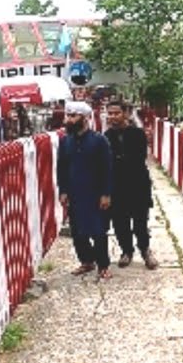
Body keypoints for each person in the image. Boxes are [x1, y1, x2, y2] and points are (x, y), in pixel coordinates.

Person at [57, 100, 113, 279]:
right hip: (74, 193)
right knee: (77, 231)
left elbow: (107, 169)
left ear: (85, 118)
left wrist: (106, 193)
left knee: (98, 231)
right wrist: (63, 191)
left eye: (73, 116)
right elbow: (62, 168)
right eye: (68, 115)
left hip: (95, 193)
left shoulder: (99, 140)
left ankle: (103, 265)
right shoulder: (65, 141)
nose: (69, 119)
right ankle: (87, 261)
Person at [104, 99, 157, 269]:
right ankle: (126, 251)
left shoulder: (137, 134)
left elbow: (138, 158)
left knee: (140, 221)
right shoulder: (106, 137)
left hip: (137, 184)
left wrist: (119, 159)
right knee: (120, 222)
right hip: (116, 186)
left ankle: (145, 250)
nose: (113, 116)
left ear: (126, 114)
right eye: (110, 113)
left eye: (116, 113)